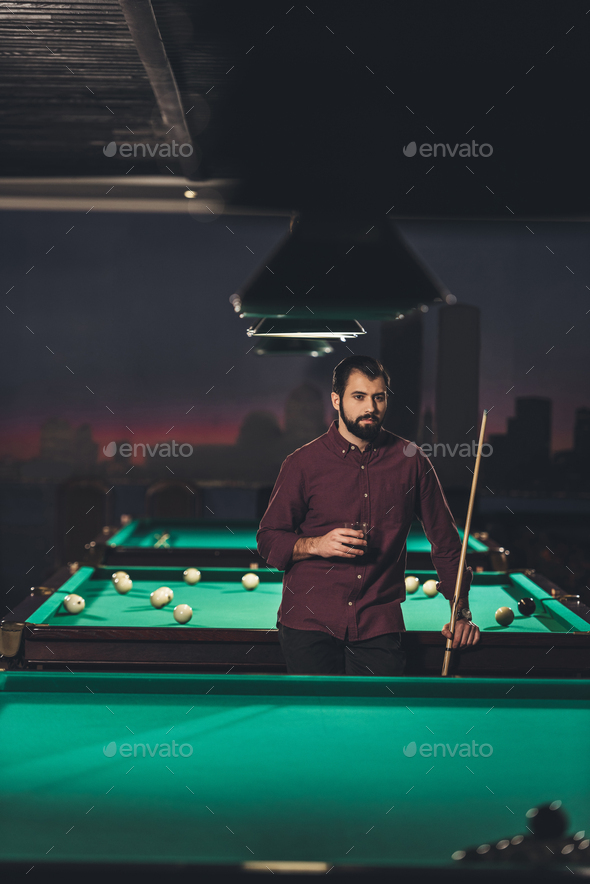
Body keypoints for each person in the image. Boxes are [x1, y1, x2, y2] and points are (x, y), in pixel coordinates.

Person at [256, 355, 480, 675]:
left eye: (379, 397)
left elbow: (446, 543)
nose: (370, 408)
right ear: (337, 400)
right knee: (317, 722)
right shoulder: (301, 463)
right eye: (359, 397)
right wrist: (316, 544)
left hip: (378, 623)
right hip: (308, 621)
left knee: (380, 721)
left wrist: (461, 612)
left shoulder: (412, 461)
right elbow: (268, 540)